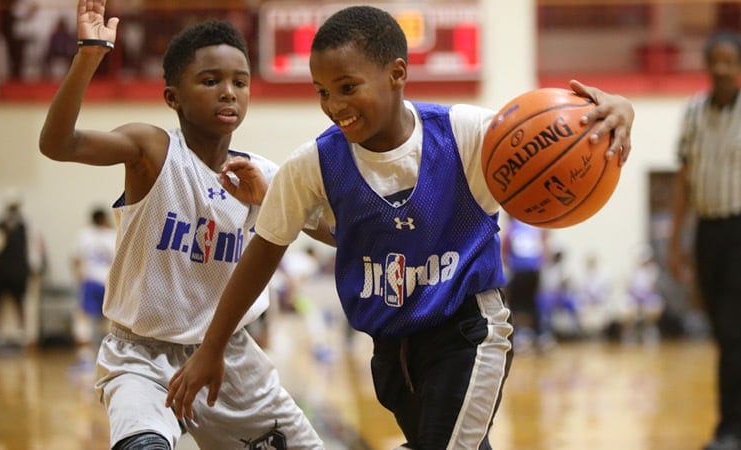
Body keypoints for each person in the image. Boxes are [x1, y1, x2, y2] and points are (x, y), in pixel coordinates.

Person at [165, 5, 634, 449]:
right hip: (391, 347)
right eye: (322, 91)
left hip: (468, 330)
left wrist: (619, 109)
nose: (333, 104)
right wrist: (212, 347)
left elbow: (557, 134)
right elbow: (262, 254)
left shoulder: (467, 134)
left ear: (396, 75)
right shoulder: (312, 165)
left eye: (347, 87)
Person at [38, 1, 330, 448]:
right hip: (142, 355)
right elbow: (59, 143)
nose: (228, 92)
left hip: (227, 355)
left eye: (240, 82)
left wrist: (272, 202)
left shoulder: (263, 176)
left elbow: (338, 236)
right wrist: (89, 57)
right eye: (210, 81)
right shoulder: (151, 150)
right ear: (173, 97)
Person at [668, 30, 741, 450]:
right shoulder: (693, 112)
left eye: (730, 60)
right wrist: (678, 241)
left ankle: (730, 428)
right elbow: (683, 181)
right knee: (723, 332)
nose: (722, 67)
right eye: (716, 59)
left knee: (733, 332)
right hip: (709, 233)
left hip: (740, 230)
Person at [0, 191, 45, 345]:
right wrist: (3, 233)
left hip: (18, 270)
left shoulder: (25, 225)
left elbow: (32, 248)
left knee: (20, 304)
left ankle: (24, 337)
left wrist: (35, 266)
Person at [71, 207, 116, 349]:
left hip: (90, 279)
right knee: (110, 315)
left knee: (85, 314)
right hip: (107, 281)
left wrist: (78, 275)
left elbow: (75, 258)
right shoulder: (112, 234)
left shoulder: (84, 234)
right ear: (104, 219)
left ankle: (83, 344)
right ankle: (110, 344)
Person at [501, 217, 549, 353]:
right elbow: (544, 248)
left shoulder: (512, 227)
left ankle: (523, 335)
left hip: (519, 270)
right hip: (534, 271)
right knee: (533, 303)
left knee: (517, 305)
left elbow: (504, 249)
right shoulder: (534, 225)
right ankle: (541, 336)